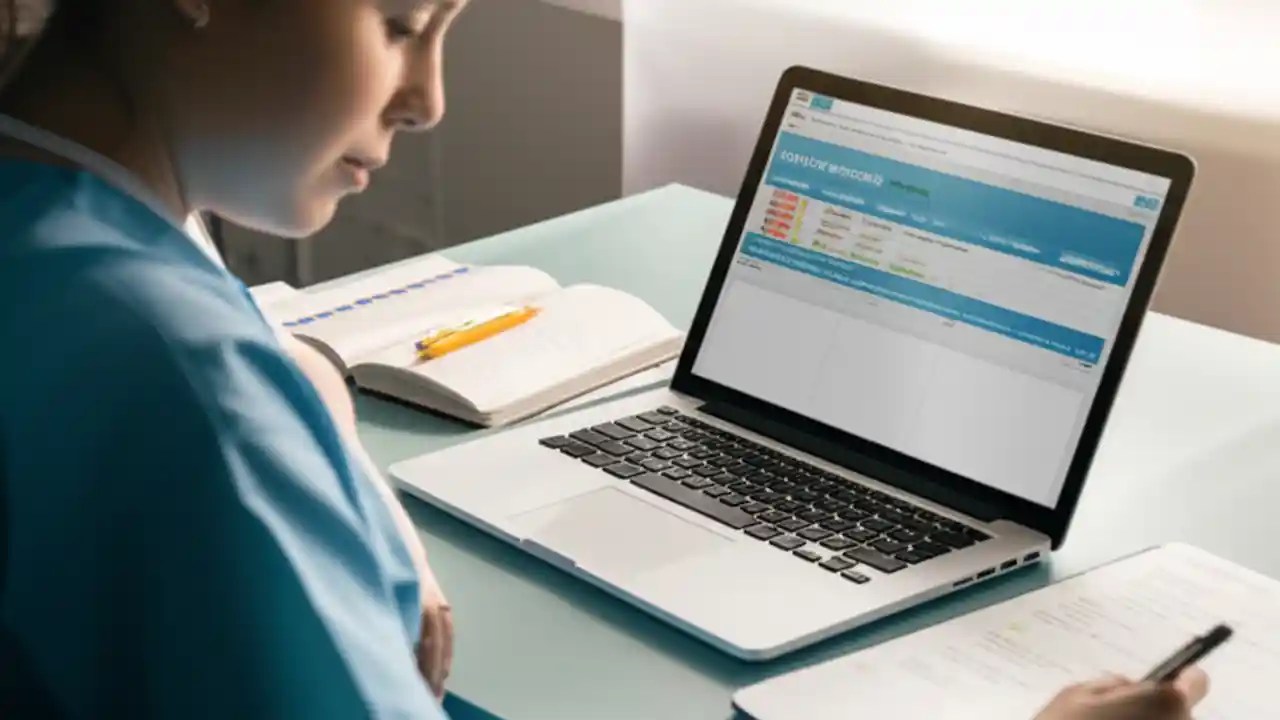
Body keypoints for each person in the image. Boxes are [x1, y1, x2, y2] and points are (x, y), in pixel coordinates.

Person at [0, 1, 1210, 718]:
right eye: (400, 23)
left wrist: (306, 402)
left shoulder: (82, 250)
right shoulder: (187, 382)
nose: (424, 97)